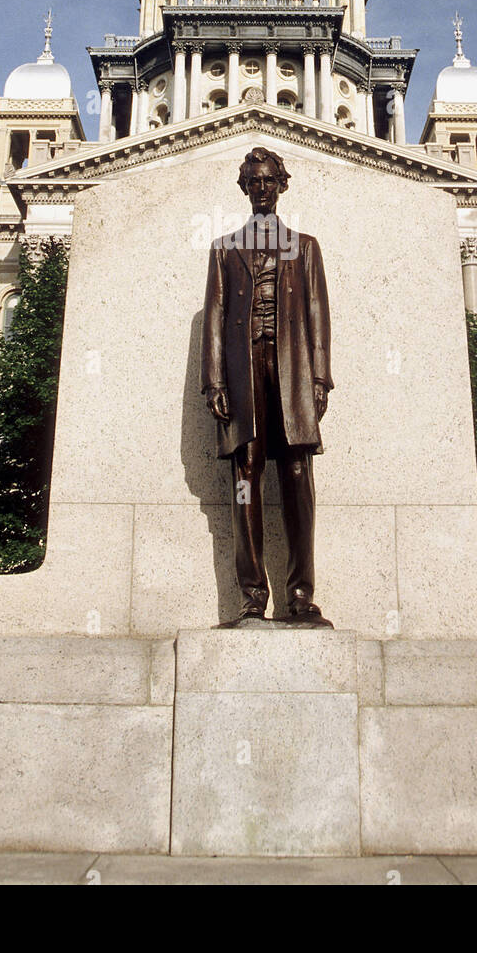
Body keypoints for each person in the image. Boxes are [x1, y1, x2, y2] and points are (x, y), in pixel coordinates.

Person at [200, 147, 333, 627]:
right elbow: (214, 317)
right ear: (245, 188)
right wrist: (213, 380)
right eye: (253, 182)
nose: (261, 188)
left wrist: (320, 377)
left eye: (268, 180)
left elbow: (318, 314)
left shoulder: (306, 246)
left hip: (292, 368)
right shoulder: (223, 248)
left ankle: (300, 596)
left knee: (297, 476)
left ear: (282, 185)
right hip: (242, 370)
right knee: (245, 478)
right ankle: (252, 597)